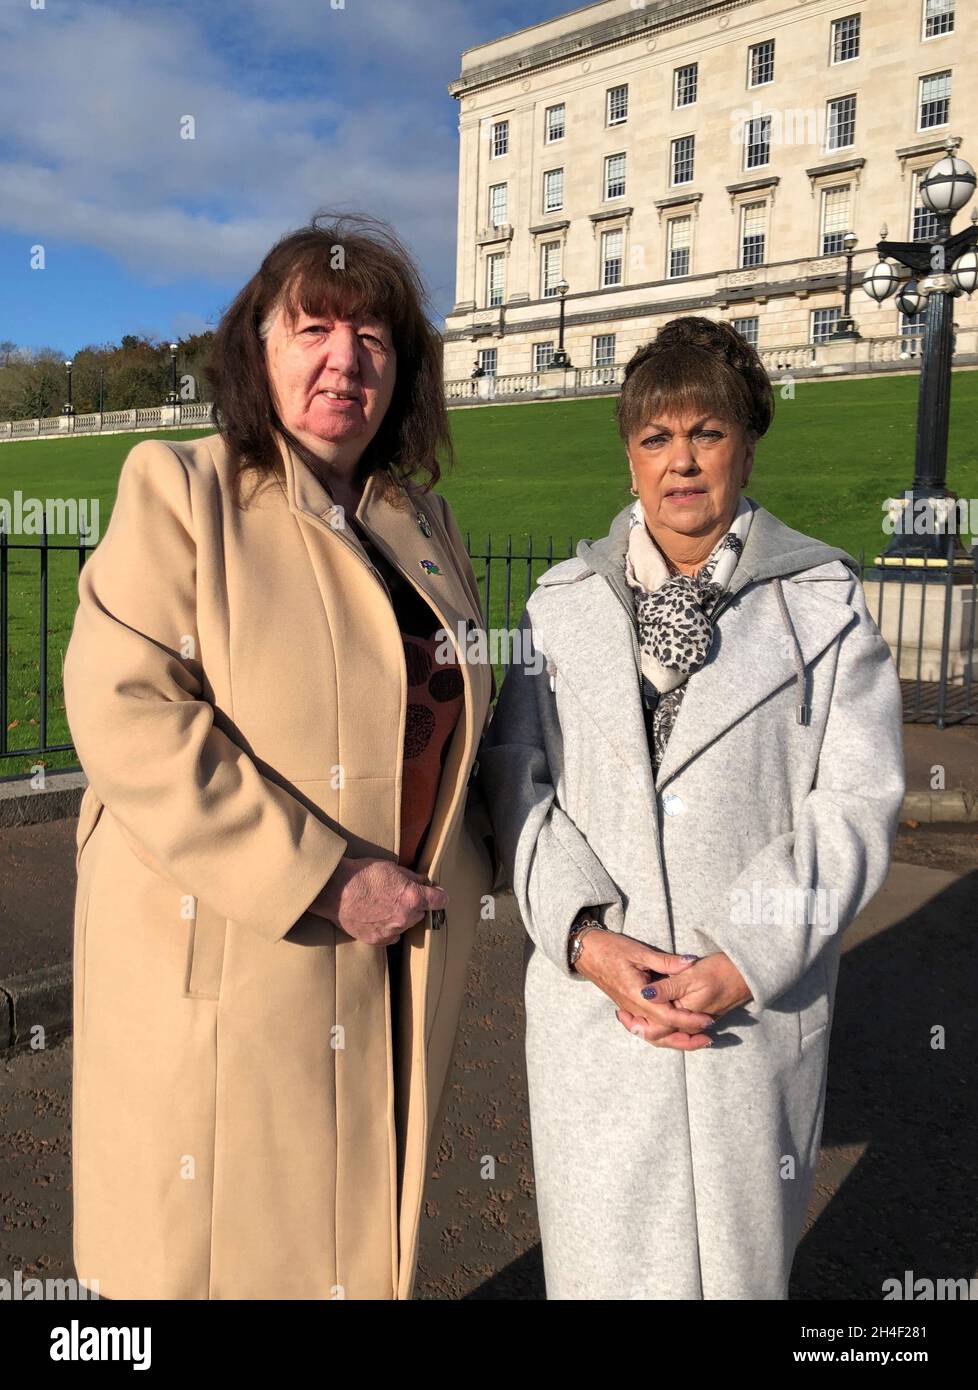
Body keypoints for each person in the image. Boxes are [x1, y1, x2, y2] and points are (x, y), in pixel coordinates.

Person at [64, 212, 494, 1300]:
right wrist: (327, 877)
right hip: (233, 954)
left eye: (375, 340)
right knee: (217, 1259)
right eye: (313, 329)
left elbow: (472, 724)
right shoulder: (182, 490)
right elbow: (127, 712)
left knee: (345, 1248)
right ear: (256, 348)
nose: (345, 361)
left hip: (396, 951)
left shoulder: (420, 523)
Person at [477, 315, 905, 1300]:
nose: (681, 462)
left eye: (706, 432)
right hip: (599, 1011)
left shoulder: (824, 602)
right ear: (629, 456)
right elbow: (517, 779)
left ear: (747, 441)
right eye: (656, 438)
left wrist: (745, 955)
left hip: (747, 1011)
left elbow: (855, 797)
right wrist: (585, 938)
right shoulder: (559, 604)